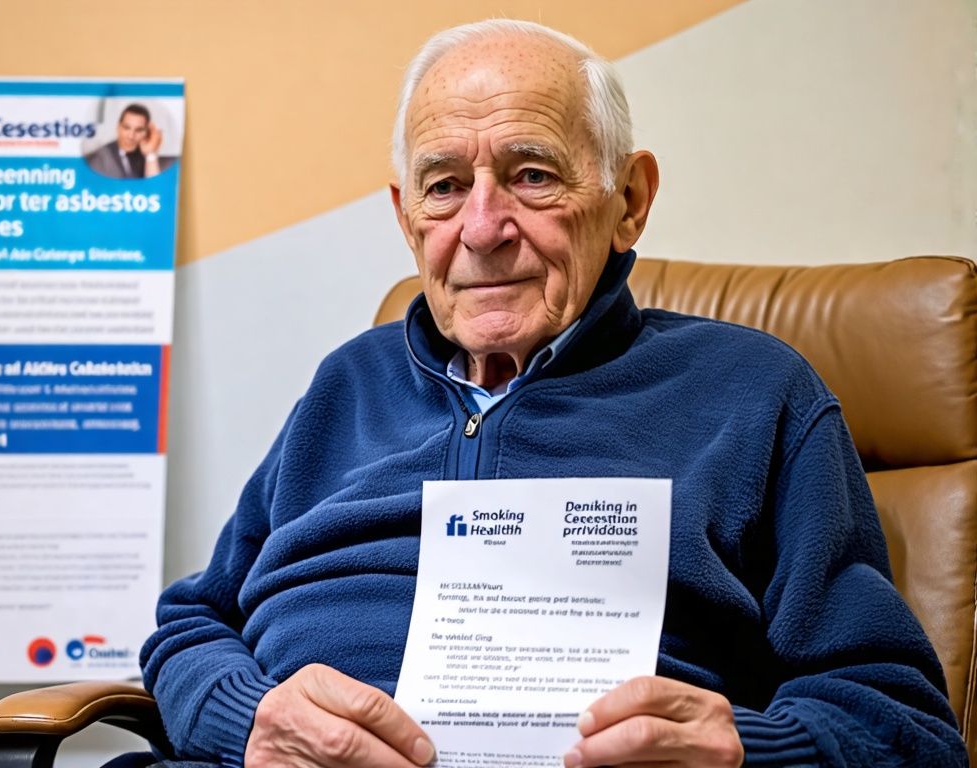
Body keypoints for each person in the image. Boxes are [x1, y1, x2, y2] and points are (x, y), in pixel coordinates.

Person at [137, 19, 968, 768]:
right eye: (444, 185)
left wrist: (747, 749)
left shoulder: (756, 392)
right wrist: (245, 719)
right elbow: (193, 623)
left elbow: (905, 724)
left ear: (629, 202)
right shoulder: (348, 384)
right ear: (405, 216)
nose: (482, 228)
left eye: (531, 175)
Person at [85, 103, 164, 179]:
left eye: (139, 130)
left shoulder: (144, 156)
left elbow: (154, 188)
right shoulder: (101, 157)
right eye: (126, 128)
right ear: (118, 127)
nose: (131, 136)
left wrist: (150, 154)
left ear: (147, 132)